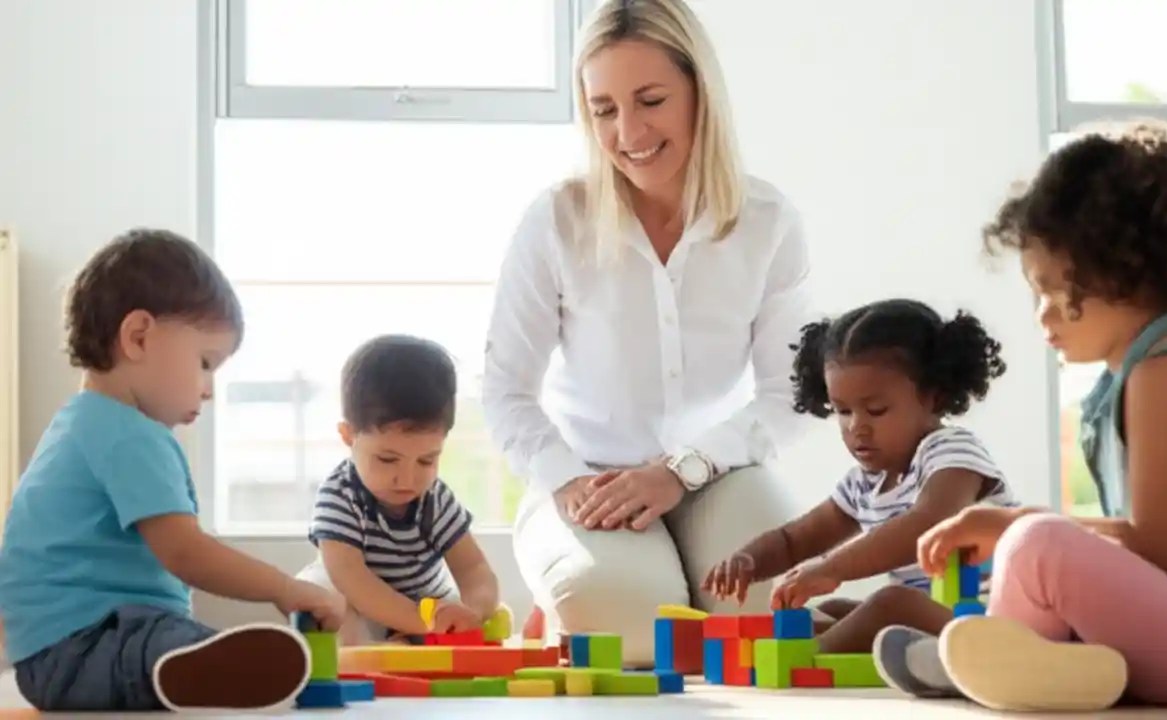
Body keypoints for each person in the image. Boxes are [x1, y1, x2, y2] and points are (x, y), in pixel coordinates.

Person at [879, 120, 1167, 711]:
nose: (1042, 314)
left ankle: (994, 659)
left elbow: (1156, 548)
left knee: (1036, 542)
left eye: (1051, 290)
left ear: (1119, 271)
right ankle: (1020, 660)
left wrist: (1011, 522)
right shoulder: (1131, 378)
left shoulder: (1163, 377)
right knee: (1031, 546)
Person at [482, 0, 816, 664]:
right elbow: (505, 392)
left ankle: (682, 585)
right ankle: (572, 603)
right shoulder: (556, 220)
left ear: (700, 92)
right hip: (590, 478)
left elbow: (793, 396)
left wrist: (681, 470)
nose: (628, 132)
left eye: (651, 100)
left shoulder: (768, 220)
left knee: (771, 611)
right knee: (627, 626)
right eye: (603, 109)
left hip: (718, 474)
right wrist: (568, 483)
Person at [0, 229, 345, 712]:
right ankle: (209, 666)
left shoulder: (78, 423)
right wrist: (283, 588)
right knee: (166, 643)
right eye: (205, 362)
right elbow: (185, 552)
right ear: (138, 337)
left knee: (175, 640)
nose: (209, 389)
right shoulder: (129, 433)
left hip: (49, 657)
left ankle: (204, 663)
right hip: (91, 645)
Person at [704, 299, 1015, 654]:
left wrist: (832, 568)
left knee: (888, 604)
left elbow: (928, 522)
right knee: (833, 610)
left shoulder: (952, 452)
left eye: (876, 410)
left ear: (934, 397)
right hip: (936, 622)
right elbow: (795, 540)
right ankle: (804, 650)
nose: (857, 427)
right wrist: (749, 561)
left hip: (995, 619)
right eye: (843, 411)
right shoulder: (865, 483)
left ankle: (803, 664)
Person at [296, 335, 501, 644]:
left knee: (462, 608)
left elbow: (473, 568)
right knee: (319, 594)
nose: (407, 480)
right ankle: (360, 661)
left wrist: (471, 611)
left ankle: (409, 645)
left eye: (426, 460)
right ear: (348, 436)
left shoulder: (434, 499)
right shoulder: (340, 495)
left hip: (425, 604)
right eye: (387, 459)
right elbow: (352, 579)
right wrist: (420, 622)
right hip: (361, 608)